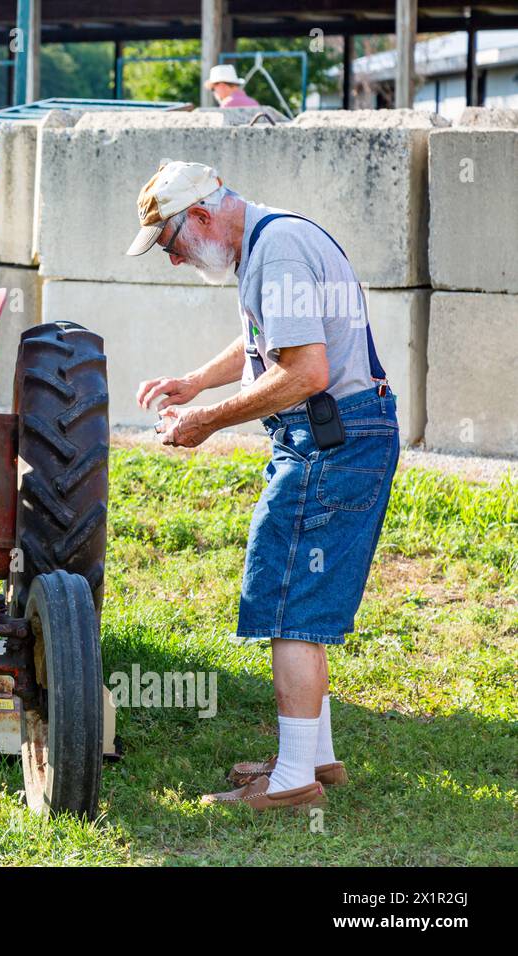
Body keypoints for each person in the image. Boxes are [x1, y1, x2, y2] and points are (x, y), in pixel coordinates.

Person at [126, 160, 399, 812]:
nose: (173, 261)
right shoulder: (273, 238)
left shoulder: (273, 254)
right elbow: (267, 334)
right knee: (299, 604)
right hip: (345, 438)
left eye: (170, 244)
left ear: (199, 215)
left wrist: (207, 421)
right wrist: (197, 381)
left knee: (288, 607)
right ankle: (315, 758)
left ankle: (293, 786)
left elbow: (304, 371)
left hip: (328, 443)